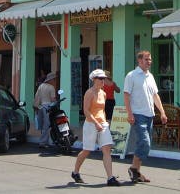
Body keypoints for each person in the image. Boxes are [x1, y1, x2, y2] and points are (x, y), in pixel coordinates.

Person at [70, 69, 120, 187]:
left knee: (106, 149)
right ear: (94, 80)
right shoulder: (89, 92)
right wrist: (95, 122)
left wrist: (104, 122)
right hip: (91, 124)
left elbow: (102, 110)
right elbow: (86, 110)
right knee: (87, 150)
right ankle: (75, 172)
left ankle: (110, 178)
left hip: (102, 124)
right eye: (100, 78)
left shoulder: (103, 93)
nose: (103, 80)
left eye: (104, 78)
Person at [124, 50, 167, 184]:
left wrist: (162, 112)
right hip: (138, 114)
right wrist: (129, 113)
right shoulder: (131, 76)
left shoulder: (150, 76)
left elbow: (155, 96)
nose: (149, 62)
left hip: (150, 114)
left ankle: (135, 170)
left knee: (143, 144)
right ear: (139, 61)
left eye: (150, 59)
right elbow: (126, 95)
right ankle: (134, 169)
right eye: (147, 59)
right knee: (145, 142)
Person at [34, 72, 57, 149]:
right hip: (48, 107)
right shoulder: (51, 87)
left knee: (43, 124)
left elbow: (37, 97)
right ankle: (43, 142)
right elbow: (53, 99)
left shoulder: (41, 86)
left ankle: (43, 141)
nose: (54, 81)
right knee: (47, 125)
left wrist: (36, 106)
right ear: (51, 80)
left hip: (41, 107)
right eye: (54, 79)